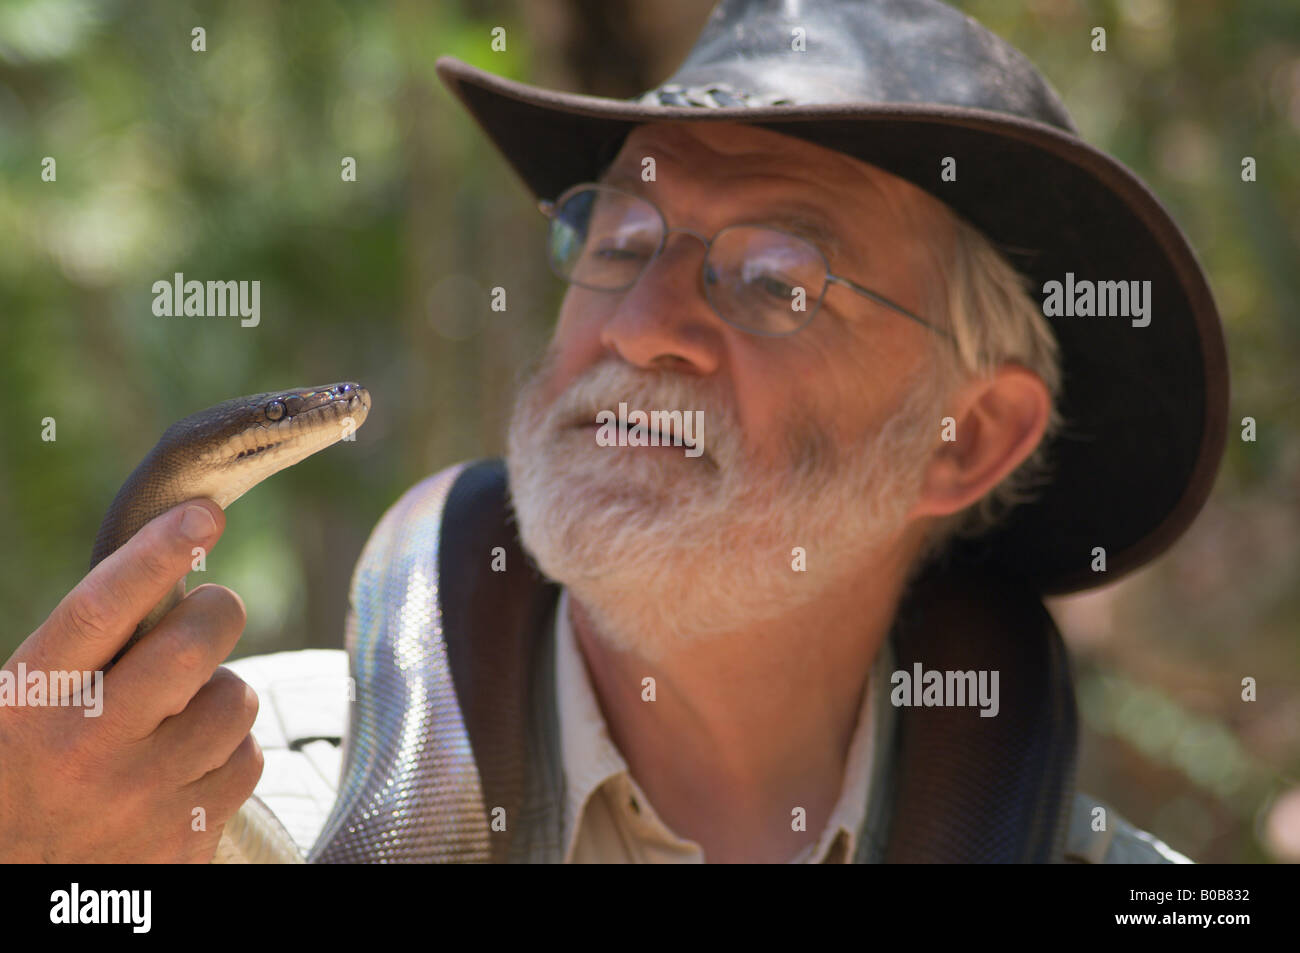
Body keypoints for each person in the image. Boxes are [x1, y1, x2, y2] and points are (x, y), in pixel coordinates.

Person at [1, 0, 1226, 863]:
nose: (642, 324)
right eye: (620, 240)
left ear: (964, 436)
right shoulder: (196, 797)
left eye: (776, 277)